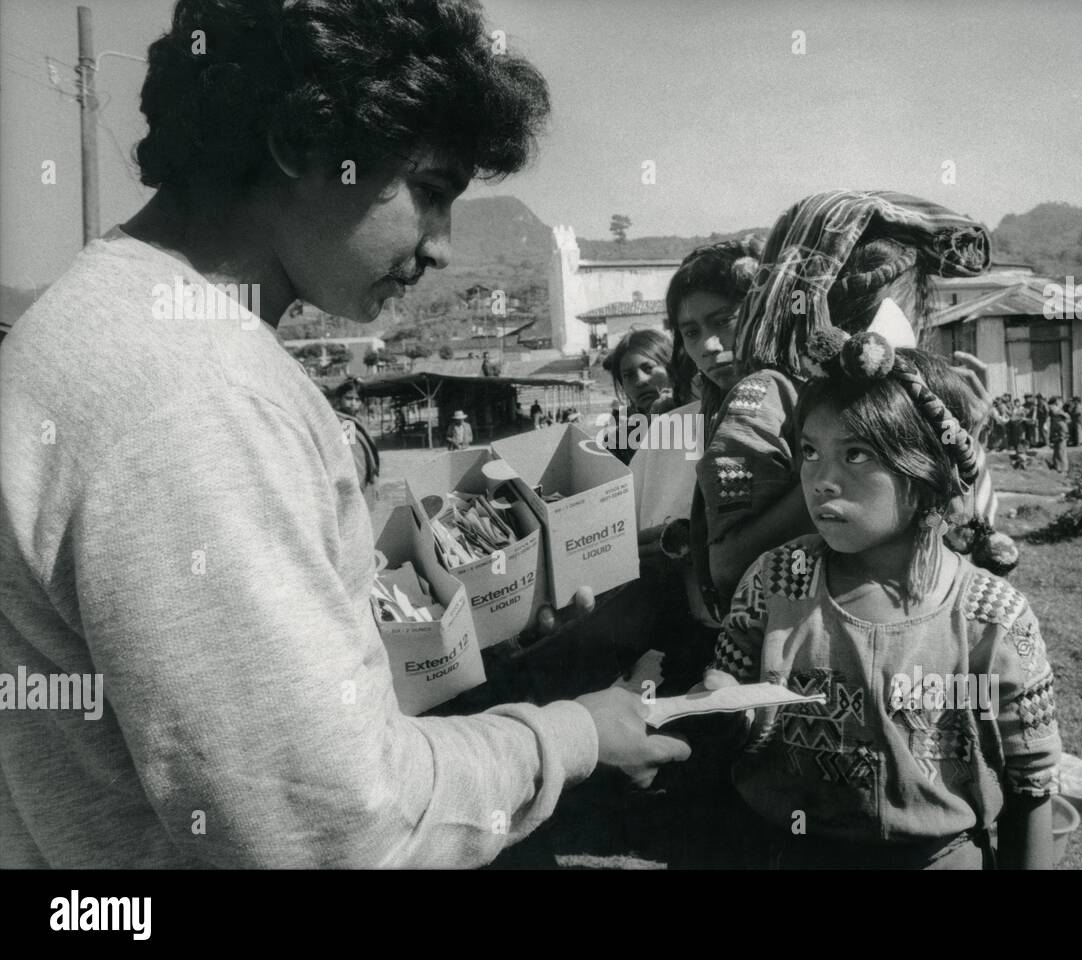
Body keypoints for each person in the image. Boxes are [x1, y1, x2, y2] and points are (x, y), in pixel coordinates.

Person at [0, 0, 685, 869]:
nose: (442, 247)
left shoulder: (120, 327)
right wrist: (572, 735)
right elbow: (334, 828)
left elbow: (249, 725)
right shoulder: (194, 389)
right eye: (431, 193)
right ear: (304, 138)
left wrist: (464, 654)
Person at [697, 331, 1058, 869]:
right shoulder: (776, 582)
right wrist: (717, 707)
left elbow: (1031, 784)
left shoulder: (990, 617)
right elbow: (725, 717)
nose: (820, 481)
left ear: (932, 470)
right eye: (811, 451)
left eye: (856, 454)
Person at [693, 191, 998, 617]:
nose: (920, 318)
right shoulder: (768, 396)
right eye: (915, 300)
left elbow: (963, 549)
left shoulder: (919, 393)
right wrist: (839, 460)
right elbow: (726, 568)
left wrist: (960, 444)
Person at [600, 328, 674, 464]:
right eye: (628, 375)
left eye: (648, 368)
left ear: (671, 368)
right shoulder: (618, 444)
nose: (640, 381)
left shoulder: (702, 417)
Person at [333, 377, 381, 509]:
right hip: (357, 484)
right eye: (349, 398)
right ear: (339, 399)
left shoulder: (356, 420)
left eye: (357, 399)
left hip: (365, 482)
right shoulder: (345, 423)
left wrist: (374, 478)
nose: (353, 403)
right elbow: (352, 457)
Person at [1047, 397, 1069, 472]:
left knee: (1061, 451)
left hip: (1061, 434)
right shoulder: (1055, 414)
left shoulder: (1059, 415)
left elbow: (1064, 426)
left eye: (1052, 407)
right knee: (1056, 451)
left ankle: (1063, 469)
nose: (1050, 408)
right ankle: (1057, 466)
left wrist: (1062, 435)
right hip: (1056, 434)